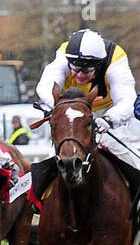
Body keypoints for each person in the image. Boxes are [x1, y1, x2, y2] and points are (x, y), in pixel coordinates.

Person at [35, 27, 140, 197]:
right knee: (55, 158)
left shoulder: (116, 60)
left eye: (87, 70)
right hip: (72, 113)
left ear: (99, 64)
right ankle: (36, 205)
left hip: (107, 112)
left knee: (125, 155)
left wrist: (109, 119)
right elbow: (45, 86)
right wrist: (58, 108)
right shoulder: (64, 55)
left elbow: (127, 99)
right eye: (75, 69)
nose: (80, 75)